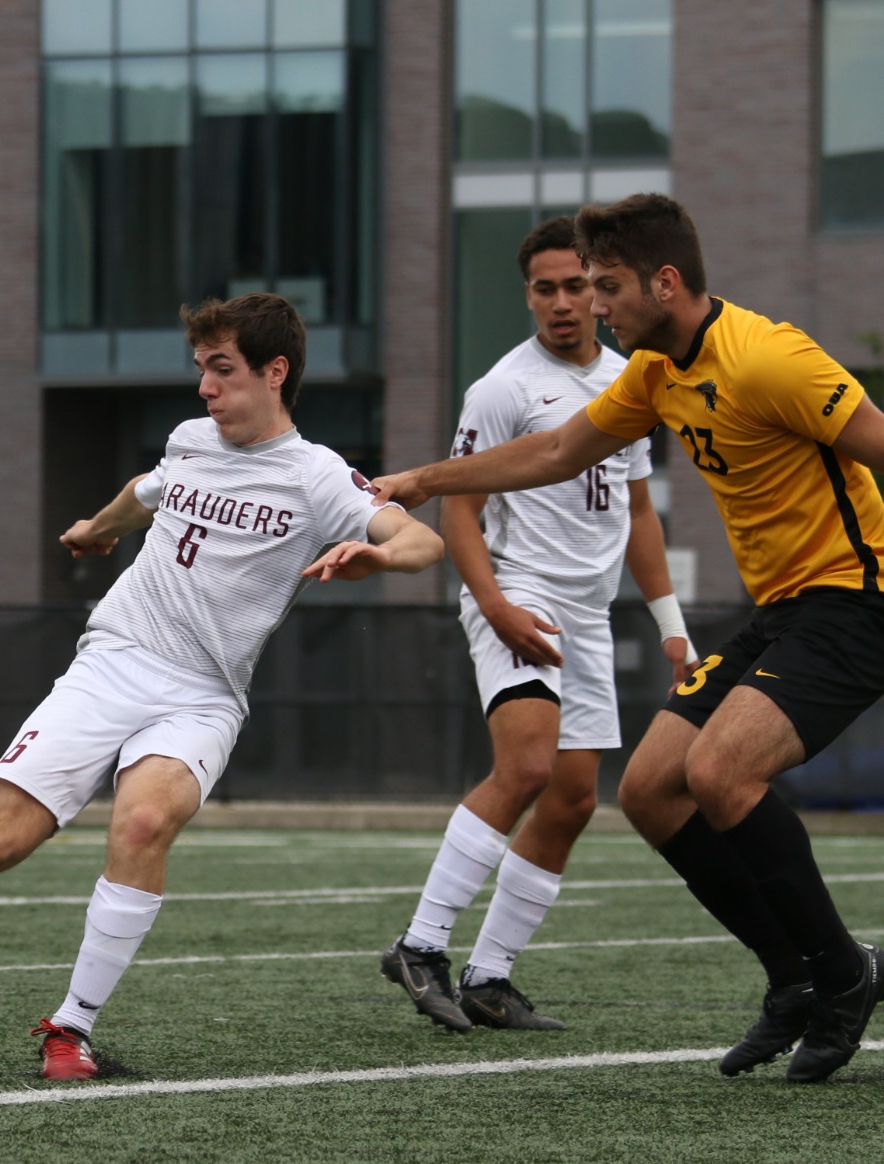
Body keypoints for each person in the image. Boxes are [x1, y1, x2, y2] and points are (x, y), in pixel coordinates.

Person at [0, 293, 444, 1080]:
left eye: (222, 369)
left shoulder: (317, 478)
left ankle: (70, 1028)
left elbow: (420, 537)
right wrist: (100, 527)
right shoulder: (190, 440)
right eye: (201, 369)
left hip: (202, 696)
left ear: (275, 372)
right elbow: (149, 488)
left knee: (142, 825)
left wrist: (376, 555)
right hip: (113, 662)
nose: (205, 387)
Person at [371, 193, 884, 1083]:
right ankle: (793, 978)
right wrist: (423, 477)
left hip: (859, 598)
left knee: (720, 772)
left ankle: (846, 971)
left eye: (606, 286)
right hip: (782, 608)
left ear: (666, 281)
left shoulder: (771, 357)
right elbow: (554, 453)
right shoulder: (650, 373)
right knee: (650, 791)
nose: (595, 306)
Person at [381, 216, 695, 1033]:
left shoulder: (633, 379)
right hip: (516, 592)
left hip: (586, 615)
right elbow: (460, 510)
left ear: (600, 288)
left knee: (574, 801)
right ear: (527, 294)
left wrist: (670, 625)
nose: (563, 302)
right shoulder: (503, 388)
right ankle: (419, 944)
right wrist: (495, 605)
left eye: (578, 285)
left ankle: (491, 977)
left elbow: (637, 511)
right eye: (545, 287)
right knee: (523, 768)